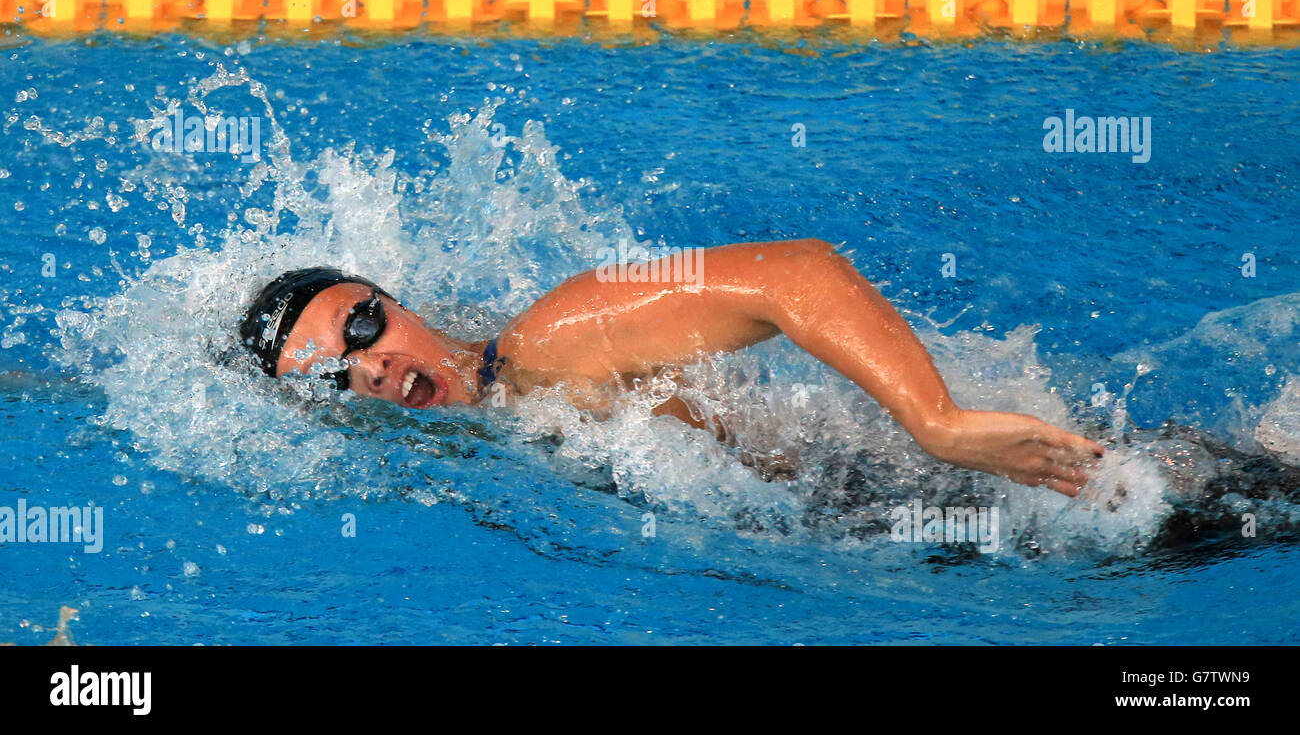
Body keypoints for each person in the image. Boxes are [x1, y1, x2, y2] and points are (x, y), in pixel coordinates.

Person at [240, 239, 1103, 495]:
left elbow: (798, 273)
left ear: (399, 300)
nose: (378, 366)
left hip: (918, 490)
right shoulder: (467, 446)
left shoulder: (554, 339)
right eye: (335, 375)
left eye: (362, 322)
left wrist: (938, 424)